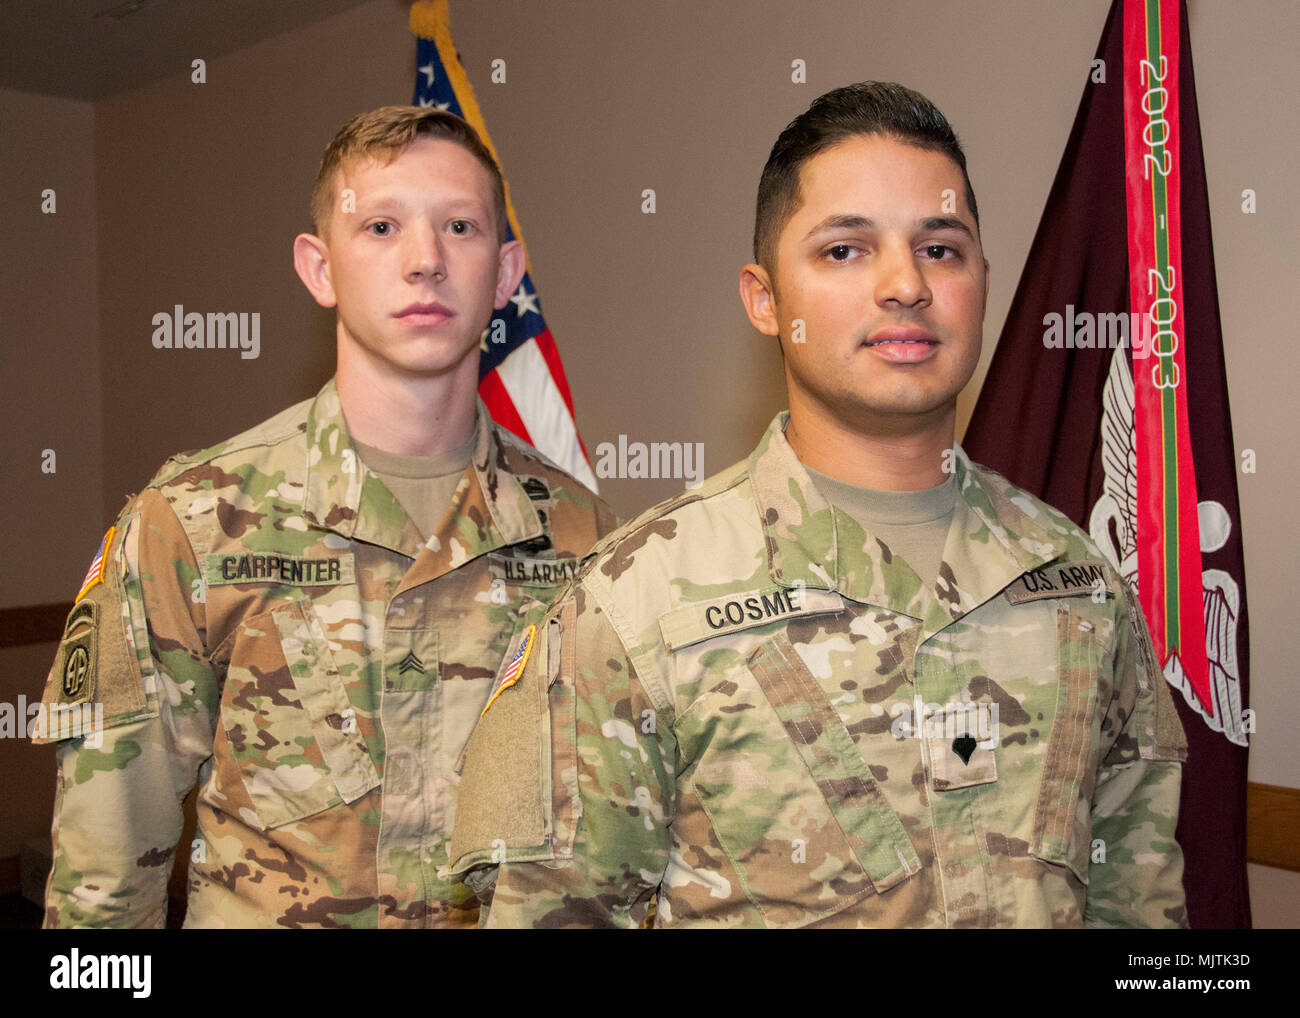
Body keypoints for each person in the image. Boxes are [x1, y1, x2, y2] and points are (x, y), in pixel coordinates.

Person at [447, 82, 1188, 928]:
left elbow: (1142, 910)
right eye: (845, 251)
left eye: (941, 249)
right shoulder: (632, 603)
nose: (905, 284)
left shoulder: (1082, 586)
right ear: (765, 300)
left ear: (984, 279)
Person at [35, 105, 616, 928]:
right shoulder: (194, 521)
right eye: (380, 226)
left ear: (506, 270)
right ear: (319, 268)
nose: (425, 262)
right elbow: (104, 879)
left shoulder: (580, 531)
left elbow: (605, 839)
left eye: (460, 226)